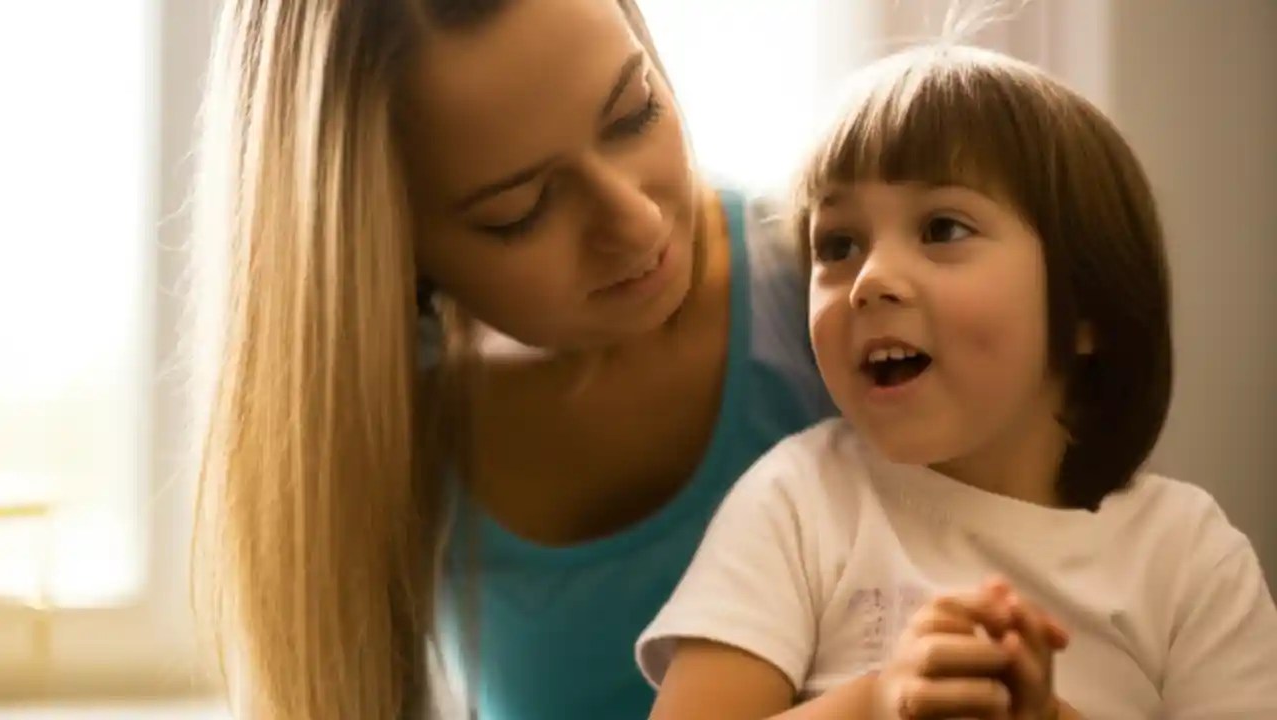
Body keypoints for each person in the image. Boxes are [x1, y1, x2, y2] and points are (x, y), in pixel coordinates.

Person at [187, 1, 834, 718]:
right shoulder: (384, 429)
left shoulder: (836, 300)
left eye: (634, 113)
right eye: (520, 211)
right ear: (395, 251)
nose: (638, 222)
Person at [637, 44, 1277, 719]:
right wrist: (877, 701)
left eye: (942, 228)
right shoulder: (799, 500)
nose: (870, 280)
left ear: (1089, 306)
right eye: (839, 245)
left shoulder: (1188, 556)